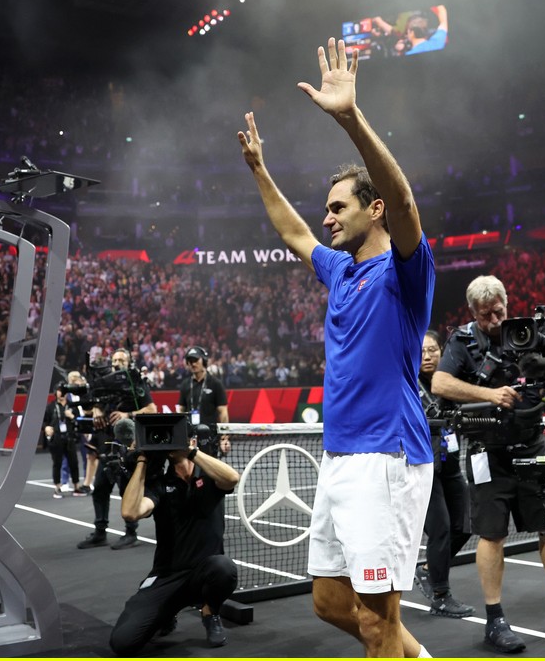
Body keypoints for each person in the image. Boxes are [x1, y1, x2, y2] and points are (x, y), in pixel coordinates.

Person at [237, 37, 435, 657]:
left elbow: (404, 201)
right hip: (340, 454)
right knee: (328, 601)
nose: (326, 219)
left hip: (388, 456)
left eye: (337, 208)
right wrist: (260, 172)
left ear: (372, 210)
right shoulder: (341, 270)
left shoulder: (405, 270)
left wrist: (349, 117)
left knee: (379, 621)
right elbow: (293, 230)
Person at [431, 275, 545, 652]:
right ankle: (495, 620)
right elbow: (439, 383)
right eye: (485, 315)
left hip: (532, 445)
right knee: (491, 535)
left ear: (506, 301)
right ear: (474, 313)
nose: (495, 320)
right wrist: (488, 393)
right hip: (488, 453)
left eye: (498, 310)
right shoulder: (462, 341)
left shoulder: (528, 333)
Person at [108, 438, 241, 654]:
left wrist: (190, 451)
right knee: (123, 643)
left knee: (224, 567)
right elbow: (131, 512)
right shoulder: (159, 484)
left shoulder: (210, 476)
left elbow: (232, 478)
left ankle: (210, 612)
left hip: (205, 572)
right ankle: (167, 613)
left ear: (192, 440)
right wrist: (142, 459)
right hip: (168, 576)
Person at [414, 331, 475, 619]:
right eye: (422, 351)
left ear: (442, 352)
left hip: (450, 464)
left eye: (433, 350)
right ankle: (440, 595)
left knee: (464, 525)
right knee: (440, 529)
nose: (427, 356)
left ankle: (428, 569)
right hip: (424, 467)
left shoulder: (451, 381)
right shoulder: (408, 385)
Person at [78, 348, 157, 550]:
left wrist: (127, 414)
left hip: (128, 448)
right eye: (114, 360)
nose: (116, 363)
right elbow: (89, 405)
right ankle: (100, 532)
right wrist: (96, 409)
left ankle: (131, 532)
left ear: (128, 363)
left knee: (125, 490)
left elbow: (151, 409)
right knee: (100, 490)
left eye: (121, 360)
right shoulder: (104, 384)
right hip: (108, 445)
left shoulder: (135, 382)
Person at [182, 345, 229, 457]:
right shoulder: (185, 385)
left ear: (204, 361)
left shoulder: (215, 384)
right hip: (190, 438)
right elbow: (181, 410)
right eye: (190, 361)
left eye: (195, 360)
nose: (193, 364)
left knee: (210, 472)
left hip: (210, 437)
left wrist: (224, 437)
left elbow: (223, 412)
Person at [43, 387, 85, 498]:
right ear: (56, 393)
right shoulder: (51, 406)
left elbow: (79, 421)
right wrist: (46, 428)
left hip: (69, 437)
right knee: (57, 463)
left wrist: (71, 416)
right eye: (59, 391)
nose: (61, 393)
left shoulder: (72, 406)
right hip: (56, 437)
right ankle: (57, 487)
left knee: (74, 463)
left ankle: (76, 487)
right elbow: (45, 421)